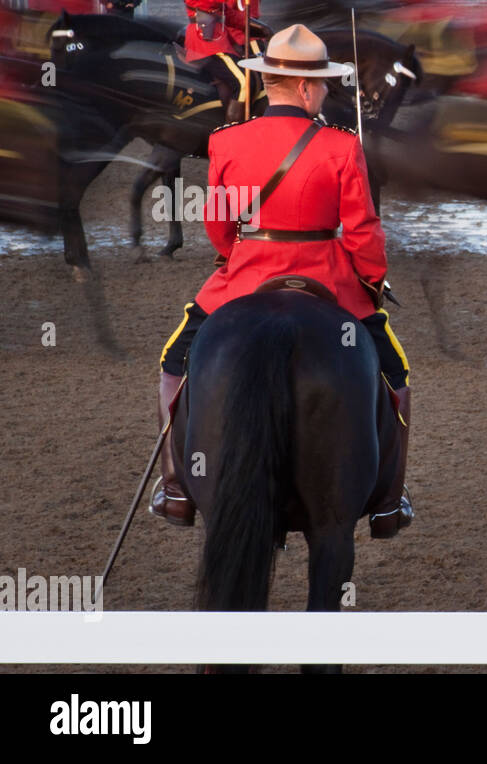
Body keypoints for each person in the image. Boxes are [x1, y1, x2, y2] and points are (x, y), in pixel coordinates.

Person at [153, 24, 415, 539]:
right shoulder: (342, 147)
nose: (324, 91)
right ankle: (388, 500)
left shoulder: (226, 141)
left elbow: (219, 225)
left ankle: (178, 487)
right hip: (329, 280)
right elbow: (362, 229)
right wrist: (372, 280)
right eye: (321, 83)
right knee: (394, 371)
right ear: (302, 87)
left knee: (174, 361)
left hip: (245, 276)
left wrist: (238, 258)